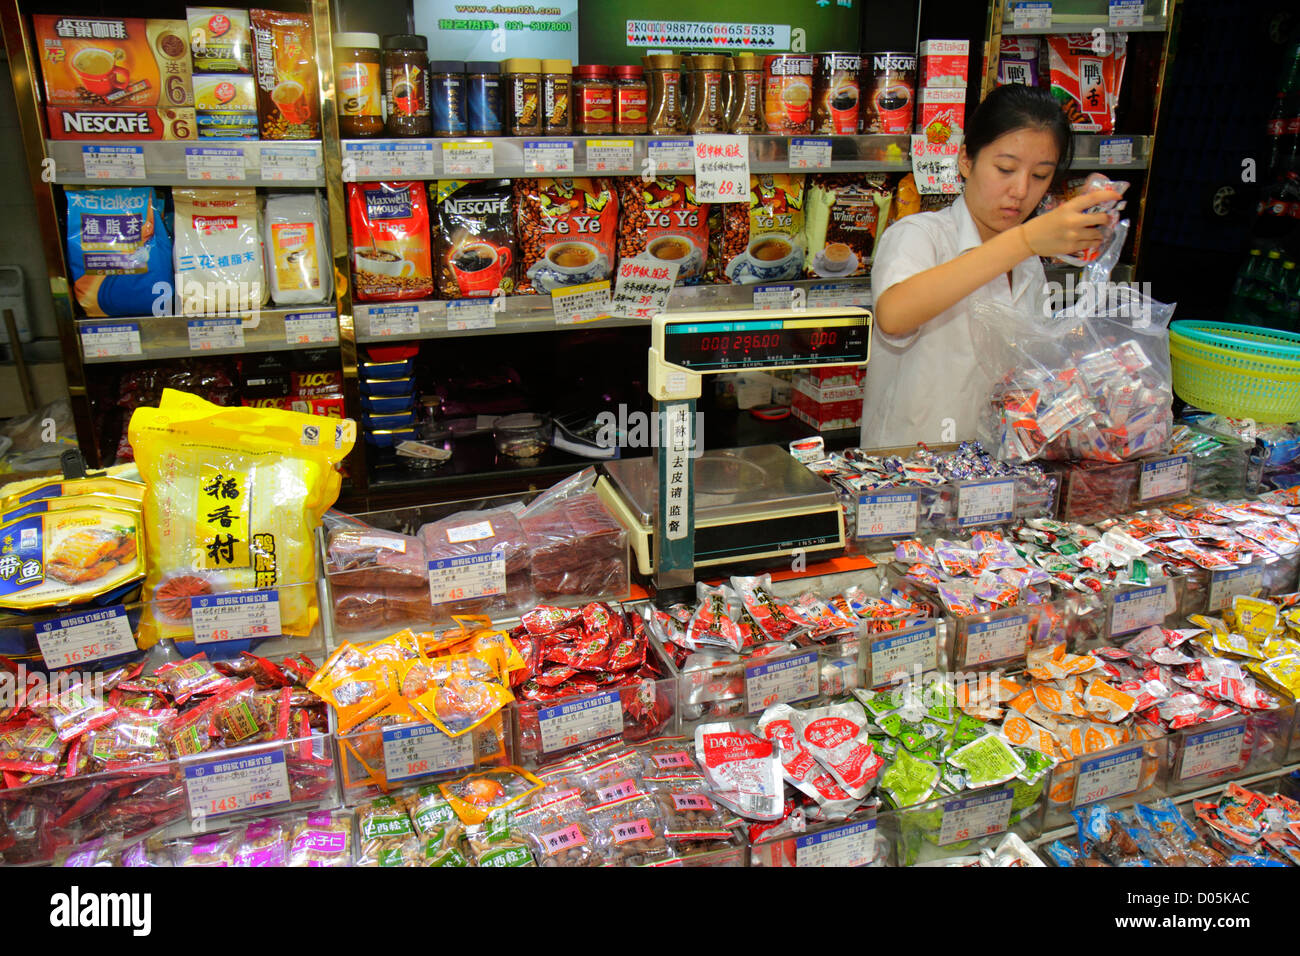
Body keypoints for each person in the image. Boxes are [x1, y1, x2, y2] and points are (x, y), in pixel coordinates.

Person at [860, 84, 1123, 448]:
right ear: (966, 160)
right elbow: (894, 314)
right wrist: (1025, 240)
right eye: (1005, 168)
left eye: (1039, 176)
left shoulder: (1028, 263)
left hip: (992, 467)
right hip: (909, 468)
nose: (1020, 190)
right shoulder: (921, 235)